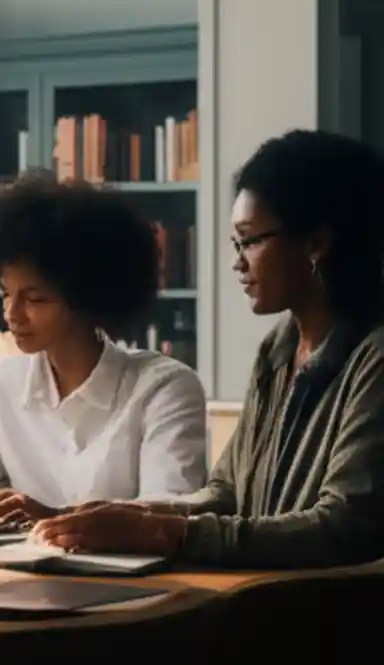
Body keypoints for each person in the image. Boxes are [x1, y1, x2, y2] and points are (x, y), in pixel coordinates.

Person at [33, 129, 384, 568]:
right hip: (261, 603)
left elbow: (344, 526)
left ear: (315, 243)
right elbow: (228, 493)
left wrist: (166, 532)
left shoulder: (374, 358)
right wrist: (83, 519)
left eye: (250, 240)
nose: (238, 261)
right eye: (235, 244)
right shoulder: (277, 351)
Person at [0, 173, 208, 532]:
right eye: (6, 293)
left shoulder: (164, 389)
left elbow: (170, 516)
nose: (11, 313)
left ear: (88, 298)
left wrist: (54, 518)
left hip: (133, 584)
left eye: (35, 298)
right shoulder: (4, 384)